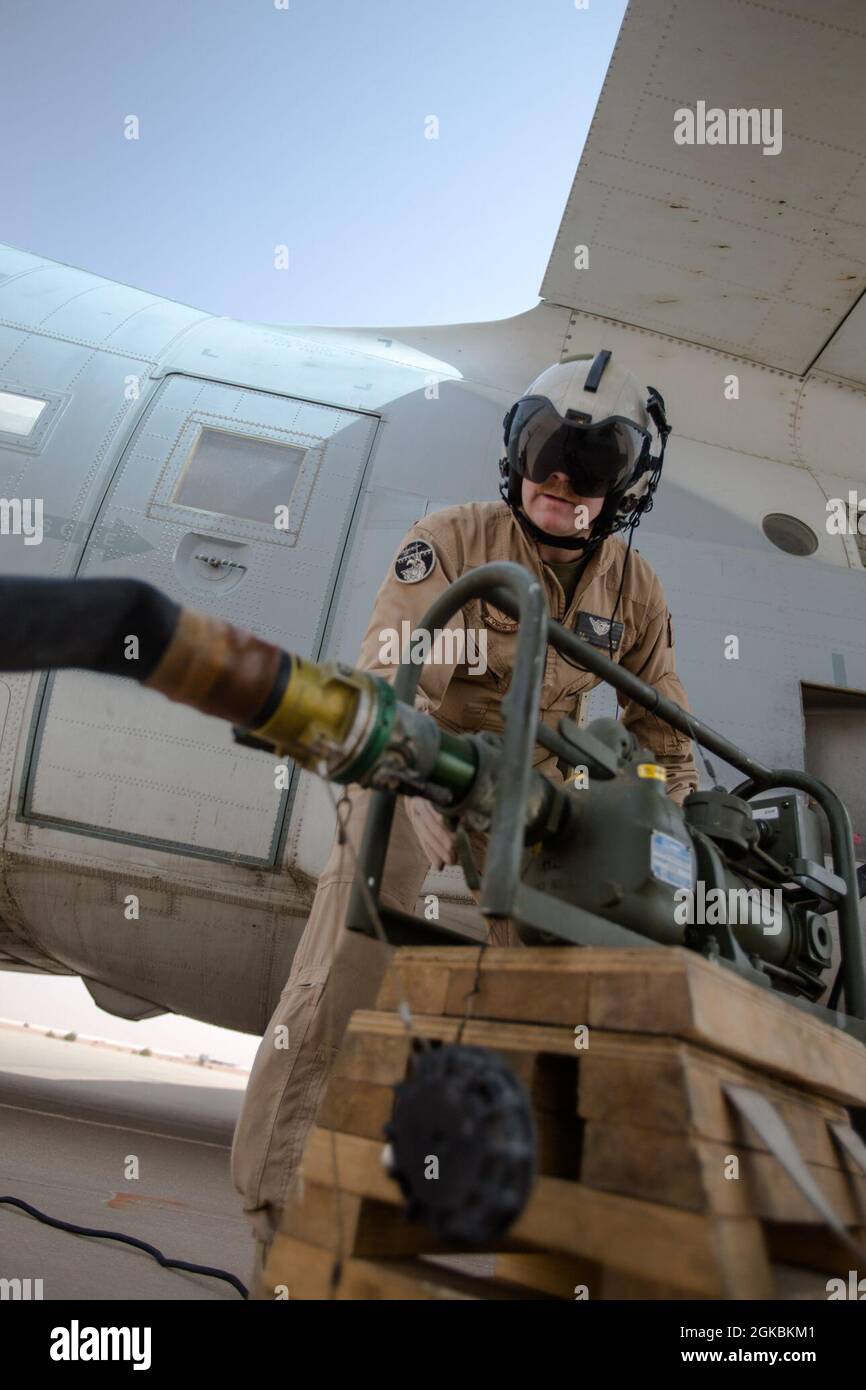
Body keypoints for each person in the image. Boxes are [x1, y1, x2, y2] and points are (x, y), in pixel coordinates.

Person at [230, 348, 698, 1273]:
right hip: (423, 760)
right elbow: (396, 670)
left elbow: (667, 743)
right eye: (545, 450)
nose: (562, 481)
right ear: (516, 452)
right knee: (353, 953)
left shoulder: (635, 591)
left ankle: (551, 1244)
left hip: (539, 799)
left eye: (592, 463)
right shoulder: (453, 537)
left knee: (568, 992)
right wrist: (412, 783)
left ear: (628, 484)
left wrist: (669, 838)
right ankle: (286, 1221)